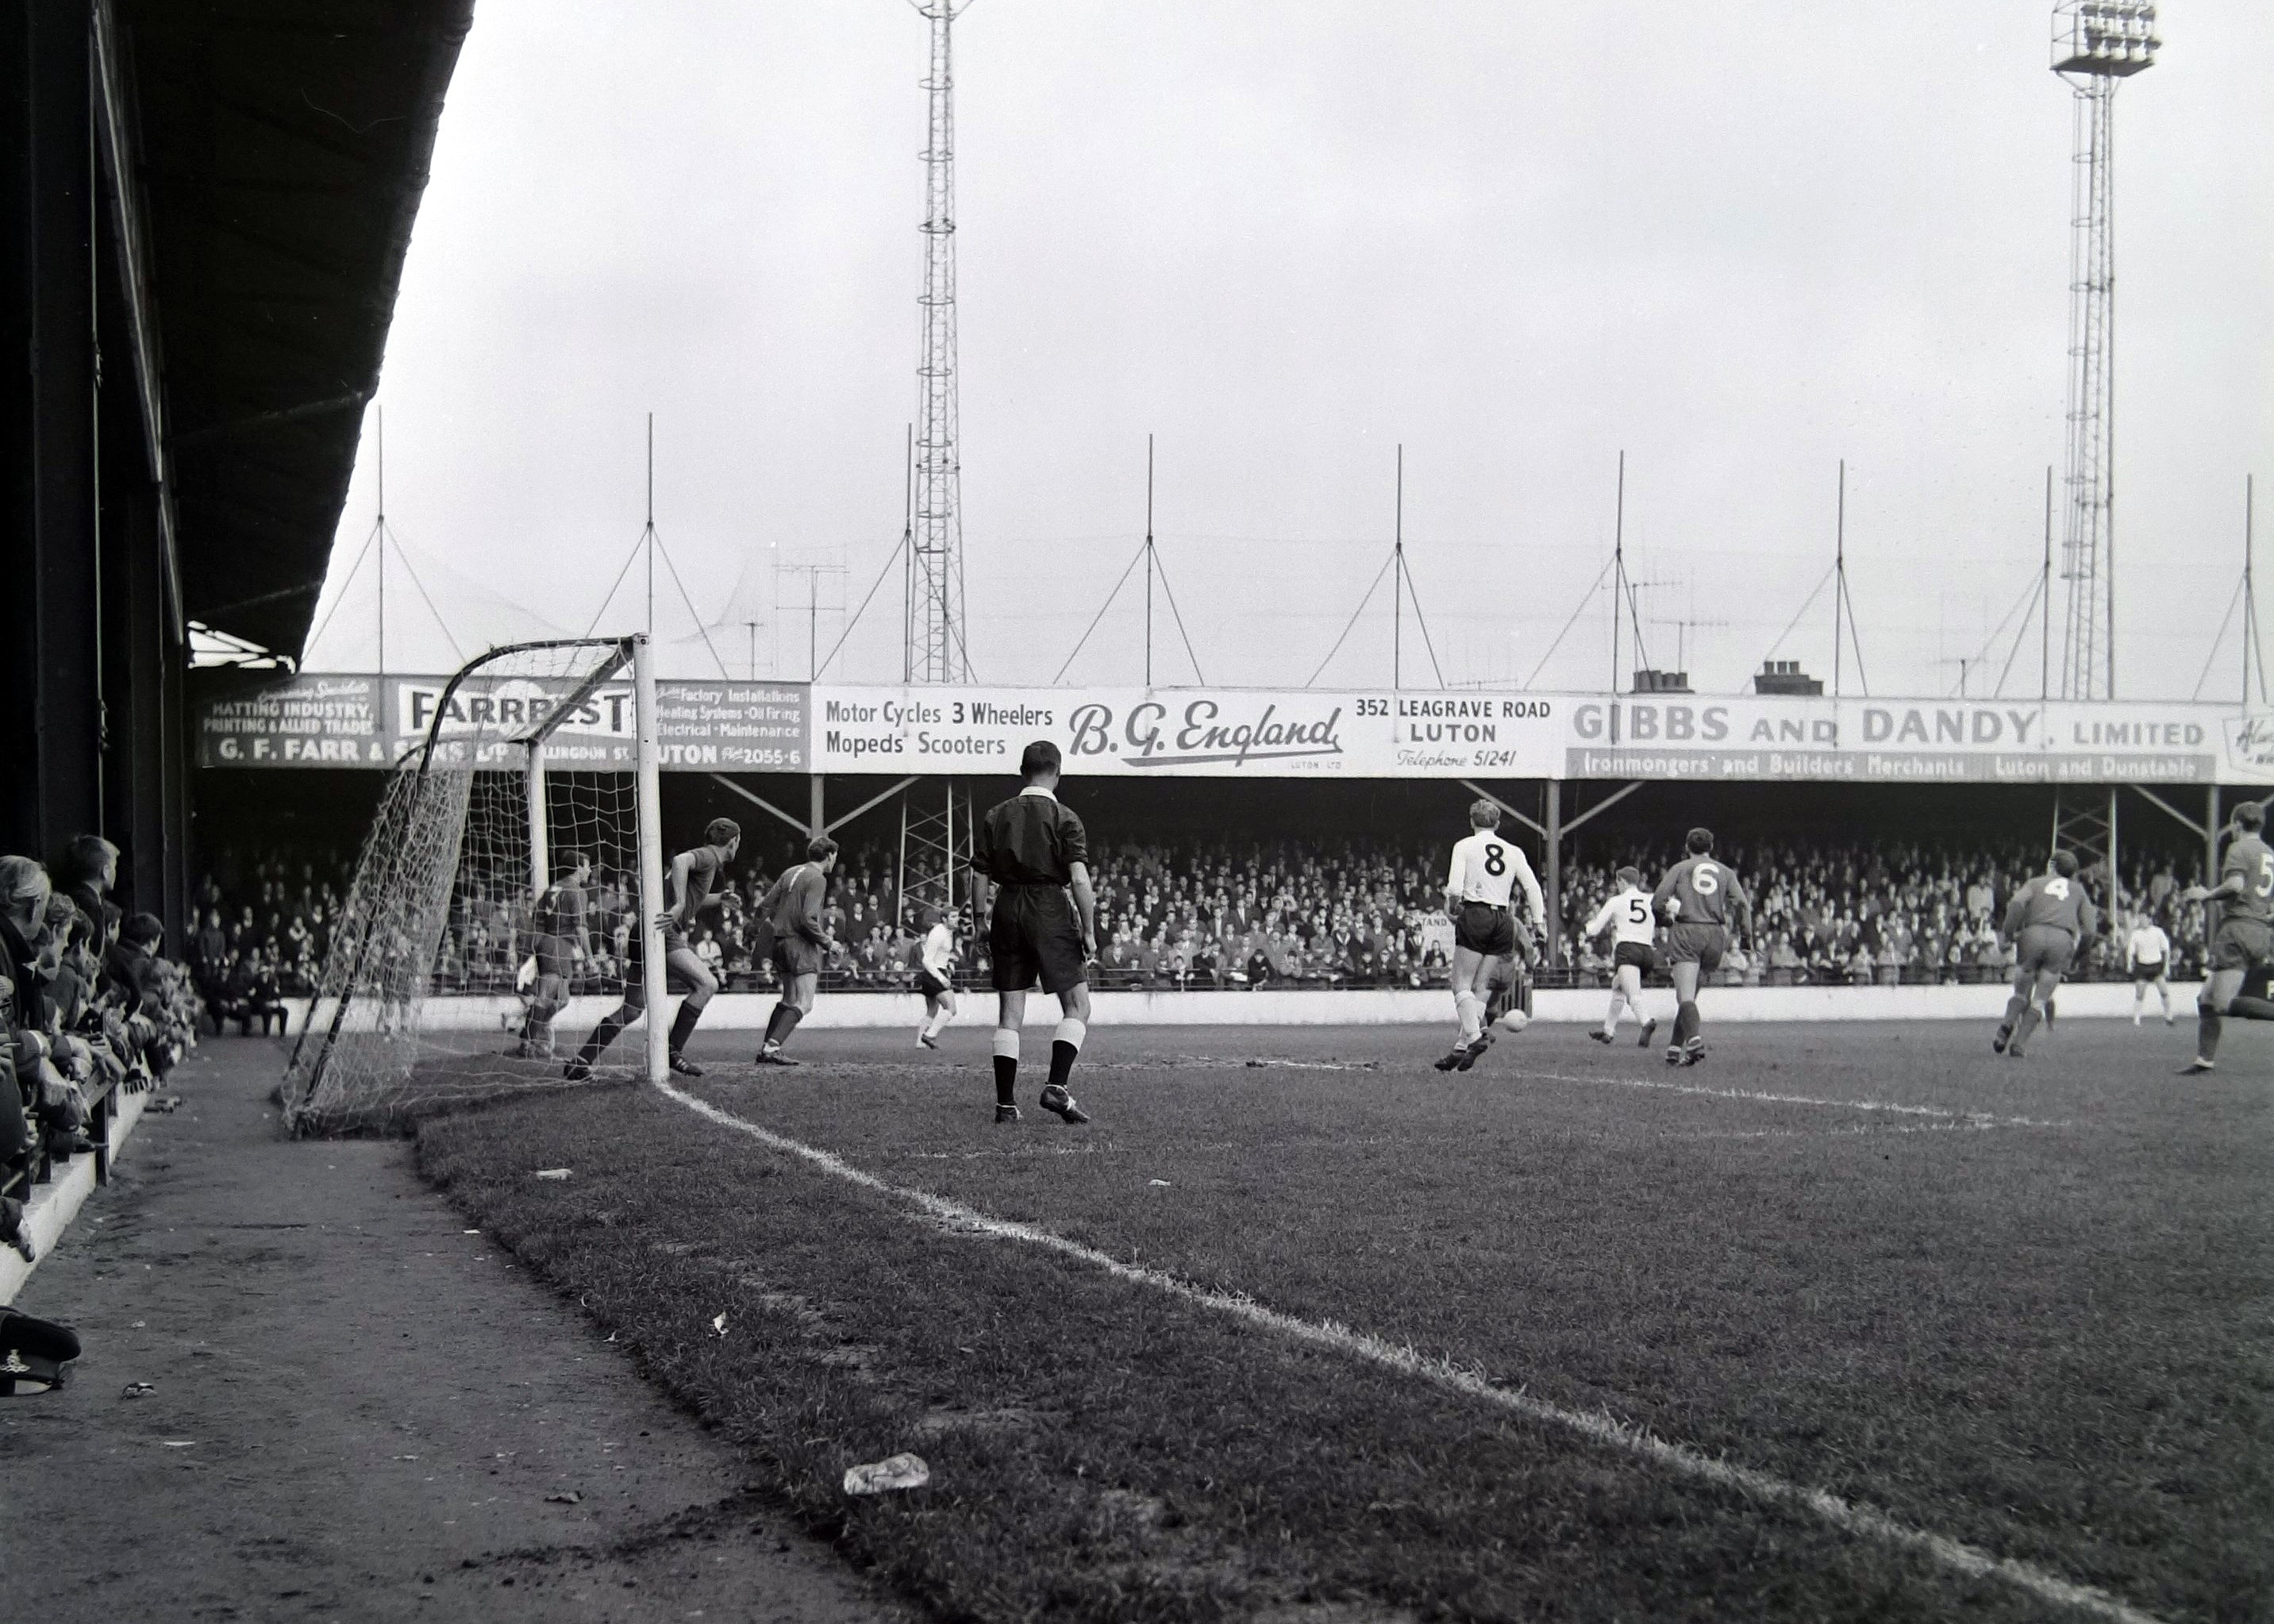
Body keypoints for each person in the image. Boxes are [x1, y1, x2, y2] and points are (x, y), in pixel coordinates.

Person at [973, 740, 1096, 1125]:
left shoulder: (996, 815)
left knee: (1010, 1013)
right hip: (1048, 906)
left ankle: (1006, 1106)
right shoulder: (1066, 817)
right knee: (1078, 1005)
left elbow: (979, 874)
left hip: (1007, 905)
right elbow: (1079, 878)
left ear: (1022, 772)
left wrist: (979, 921)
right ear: (1057, 773)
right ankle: (1056, 1086)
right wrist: (1089, 930)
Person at [565, 818, 742, 1081]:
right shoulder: (707, 857)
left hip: (644, 928)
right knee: (707, 984)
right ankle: (673, 1051)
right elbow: (680, 861)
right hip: (661, 931)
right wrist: (679, 904)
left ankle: (581, 1061)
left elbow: (693, 898)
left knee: (633, 1009)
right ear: (733, 841)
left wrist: (720, 899)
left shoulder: (707, 862)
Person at [1434, 799, 1544, 1073]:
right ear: (1497, 824)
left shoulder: (1464, 846)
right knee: (1480, 987)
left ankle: (1475, 1036)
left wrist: (1454, 908)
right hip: (1503, 919)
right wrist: (1538, 921)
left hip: (1477, 914)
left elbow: (1455, 888)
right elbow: (1532, 887)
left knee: (1460, 984)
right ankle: (1461, 1049)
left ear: (1472, 821)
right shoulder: (1513, 851)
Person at [2179, 799, 2274, 1073]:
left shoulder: (2239, 848)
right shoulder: (2269, 854)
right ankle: (2204, 1060)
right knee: (2206, 1000)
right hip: (2259, 930)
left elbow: (2235, 885)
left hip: (2237, 930)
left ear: (2236, 825)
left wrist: (2205, 895)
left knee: (2221, 1003)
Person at [1652, 827, 1752, 1067]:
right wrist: (1746, 936)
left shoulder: (1680, 868)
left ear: (1687, 847)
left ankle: (1694, 1041)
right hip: (1715, 936)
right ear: (1711, 847)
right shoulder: (1726, 872)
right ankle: (1674, 1050)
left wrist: (1664, 920)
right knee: (1688, 997)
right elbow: (1741, 904)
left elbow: (1657, 901)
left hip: (1688, 931)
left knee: (1685, 996)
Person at [1991, 850, 2099, 1060]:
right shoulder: (2078, 891)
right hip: (2061, 940)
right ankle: (2019, 1044)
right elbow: (2091, 931)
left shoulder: (2035, 883)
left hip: (2033, 935)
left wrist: (2008, 935)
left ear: (2052, 866)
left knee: (2020, 992)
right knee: (2040, 999)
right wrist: (2077, 957)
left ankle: (2006, 1025)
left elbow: (2016, 904)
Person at [753, 836, 840, 1066]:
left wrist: (779, 924)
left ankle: (766, 1048)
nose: (834, 861)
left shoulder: (790, 872)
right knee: (805, 1002)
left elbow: (765, 905)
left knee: (789, 998)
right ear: (829, 856)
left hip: (780, 941)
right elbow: (808, 919)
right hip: (800, 944)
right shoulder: (818, 878)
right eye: (835, 856)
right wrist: (828, 943)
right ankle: (772, 1048)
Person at [516, 851, 591, 1060]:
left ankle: (535, 1030)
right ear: (578, 868)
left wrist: (538, 944)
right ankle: (527, 1041)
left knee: (563, 999)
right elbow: (581, 928)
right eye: (587, 866)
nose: (590, 870)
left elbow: (537, 917)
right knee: (545, 997)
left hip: (551, 944)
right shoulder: (577, 892)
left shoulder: (553, 889)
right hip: (558, 945)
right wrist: (590, 957)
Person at [1581, 864, 1662, 1049]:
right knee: (1618, 986)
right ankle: (1608, 1031)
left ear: (1622, 881)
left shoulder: (1616, 901)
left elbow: (1594, 930)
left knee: (1633, 995)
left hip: (1628, 951)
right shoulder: (1650, 898)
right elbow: (1673, 905)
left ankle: (1646, 1022)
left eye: (1618, 882)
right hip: (1647, 952)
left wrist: (1587, 926)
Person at [915, 906, 960, 1049]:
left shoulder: (947, 931)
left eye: (957, 916)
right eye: (953, 917)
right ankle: (929, 1035)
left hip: (933, 972)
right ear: (944, 919)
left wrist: (948, 957)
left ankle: (920, 1043)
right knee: (951, 1009)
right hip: (935, 973)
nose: (957, 919)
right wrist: (942, 978)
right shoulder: (938, 933)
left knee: (932, 1011)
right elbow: (926, 960)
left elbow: (939, 953)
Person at [2126, 911, 2174, 1028]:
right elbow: (2130, 951)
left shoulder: (2158, 932)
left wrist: (2166, 966)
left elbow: (2166, 949)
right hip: (2142, 966)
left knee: (2164, 992)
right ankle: (2137, 1018)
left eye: (2143, 918)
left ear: (2149, 919)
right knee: (2139, 994)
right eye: (2140, 919)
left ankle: (2169, 1017)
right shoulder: (2136, 934)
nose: (2141, 921)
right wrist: (2129, 964)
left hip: (2156, 966)